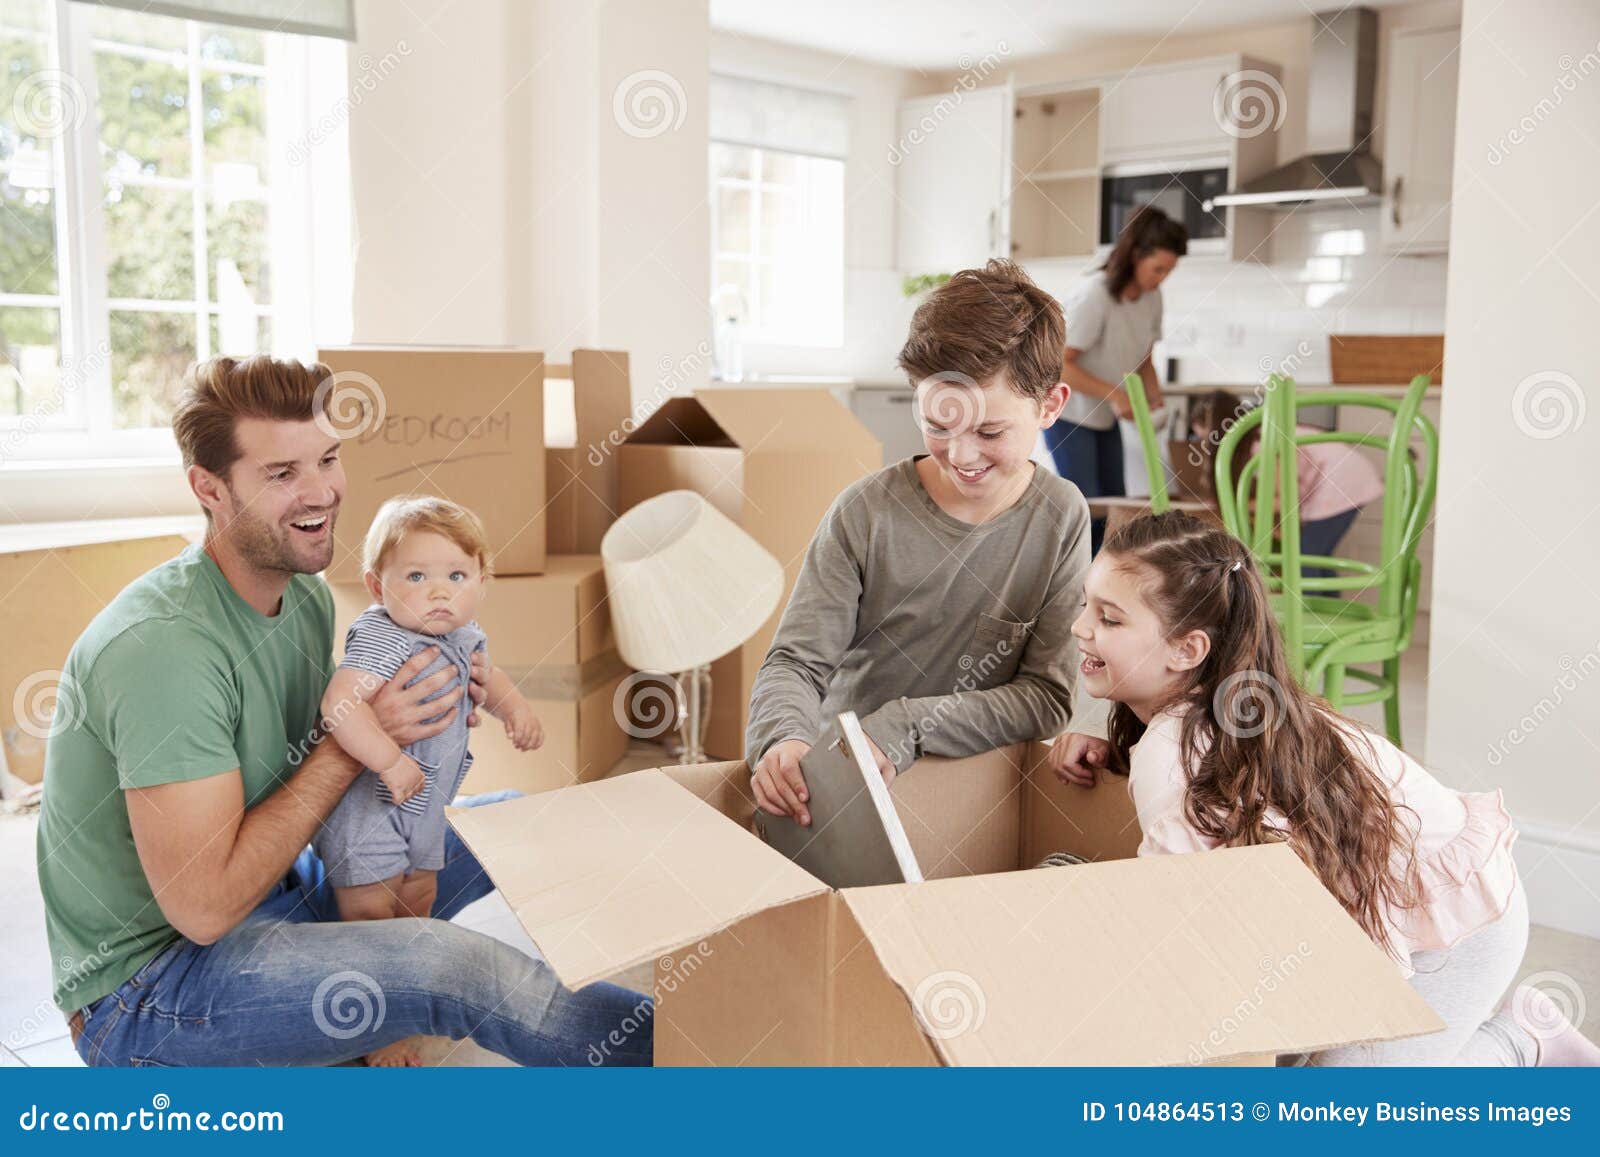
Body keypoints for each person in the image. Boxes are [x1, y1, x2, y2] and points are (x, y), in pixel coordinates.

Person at [36, 356, 650, 1067]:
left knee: (516, 819)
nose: (321, 490)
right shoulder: (163, 648)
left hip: (276, 894)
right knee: (451, 968)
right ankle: (716, 1064)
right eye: (281, 473)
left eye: (327, 458)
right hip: (153, 992)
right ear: (208, 487)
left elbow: (320, 786)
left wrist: (437, 723)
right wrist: (363, 738)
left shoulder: (304, 597)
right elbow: (202, 910)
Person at [1048, 511, 1600, 1066]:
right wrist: (1102, 739)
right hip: (1407, 897)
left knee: (1341, 1122)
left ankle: (1523, 1043)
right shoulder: (1227, 703)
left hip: (1452, 929)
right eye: (1085, 606)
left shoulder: (1175, 750)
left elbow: (1168, 910)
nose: (1080, 628)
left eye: (1110, 619)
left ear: (1188, 651)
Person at [747, 259, 1110, 824]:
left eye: (990, 432)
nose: (962, 456)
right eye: (938, 426)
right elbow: (796, 662)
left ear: (1051, 407)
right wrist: (780, 739)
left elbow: (1047, 696)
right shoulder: (865, 512)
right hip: (845, 791)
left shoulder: (1061, 515)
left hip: (979, 798)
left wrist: (906, 727)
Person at [314, 495, 544, 1066]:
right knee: (370, 921)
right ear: (376, 585)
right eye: (416, 575)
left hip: (428, 810)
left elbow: (487, 681)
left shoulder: (465, 637)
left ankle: (409, 999)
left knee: (418, 904)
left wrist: (514, 709)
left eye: (457, 575)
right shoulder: (385, 637)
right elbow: (339, 702)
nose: (439, 591)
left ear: (481, 581)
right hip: (371, 812)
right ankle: (372, 1030)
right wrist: (389, 761)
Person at [1047, 206, 1187, 552]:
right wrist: (1115, 395)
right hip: (1069, 416)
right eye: (1157, 268)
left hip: (1103, 416)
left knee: (1114, 508)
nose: (1162, 278)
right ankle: (1079, 595)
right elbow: (1059, 365)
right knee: (1087, 509)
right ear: (1136, 256)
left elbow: (1145, 360)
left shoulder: (1152, 298)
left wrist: (1154, 398)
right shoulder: (1096, 295)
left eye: (1169, 271)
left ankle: (1106, 591)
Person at [1189, 388, 1383, 581]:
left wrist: (1235, 505)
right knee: (1316, 556)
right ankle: (1332, 609)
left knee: (1304, 559)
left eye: (1206, 438)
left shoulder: (1261, 444)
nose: (1204, 444)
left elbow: (1283, 501)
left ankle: (1309, 609)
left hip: (1342, 482)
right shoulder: (1260, 436)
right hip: (1349, 476)